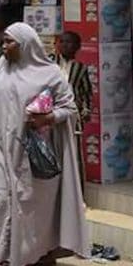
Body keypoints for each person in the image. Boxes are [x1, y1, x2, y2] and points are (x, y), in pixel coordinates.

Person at [0, 22, 89, 266]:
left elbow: (69, 108)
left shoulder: (50, 74)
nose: (4, 47)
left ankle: (13, 259)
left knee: (25, 207)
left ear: (26, 45)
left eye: (9, 42)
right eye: (3, 41)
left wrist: (47, 118)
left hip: (29, 155)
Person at [52, 31, 93, 193]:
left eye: (69, 42)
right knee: (52, 152)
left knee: (74, 154)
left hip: (72, 115)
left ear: (77, 47)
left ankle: (77, 193)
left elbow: (86, 92)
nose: (64, 45)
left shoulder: (80, 68)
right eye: (62, 42)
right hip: (50, 113)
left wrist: (86, 111)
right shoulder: (49, 63)